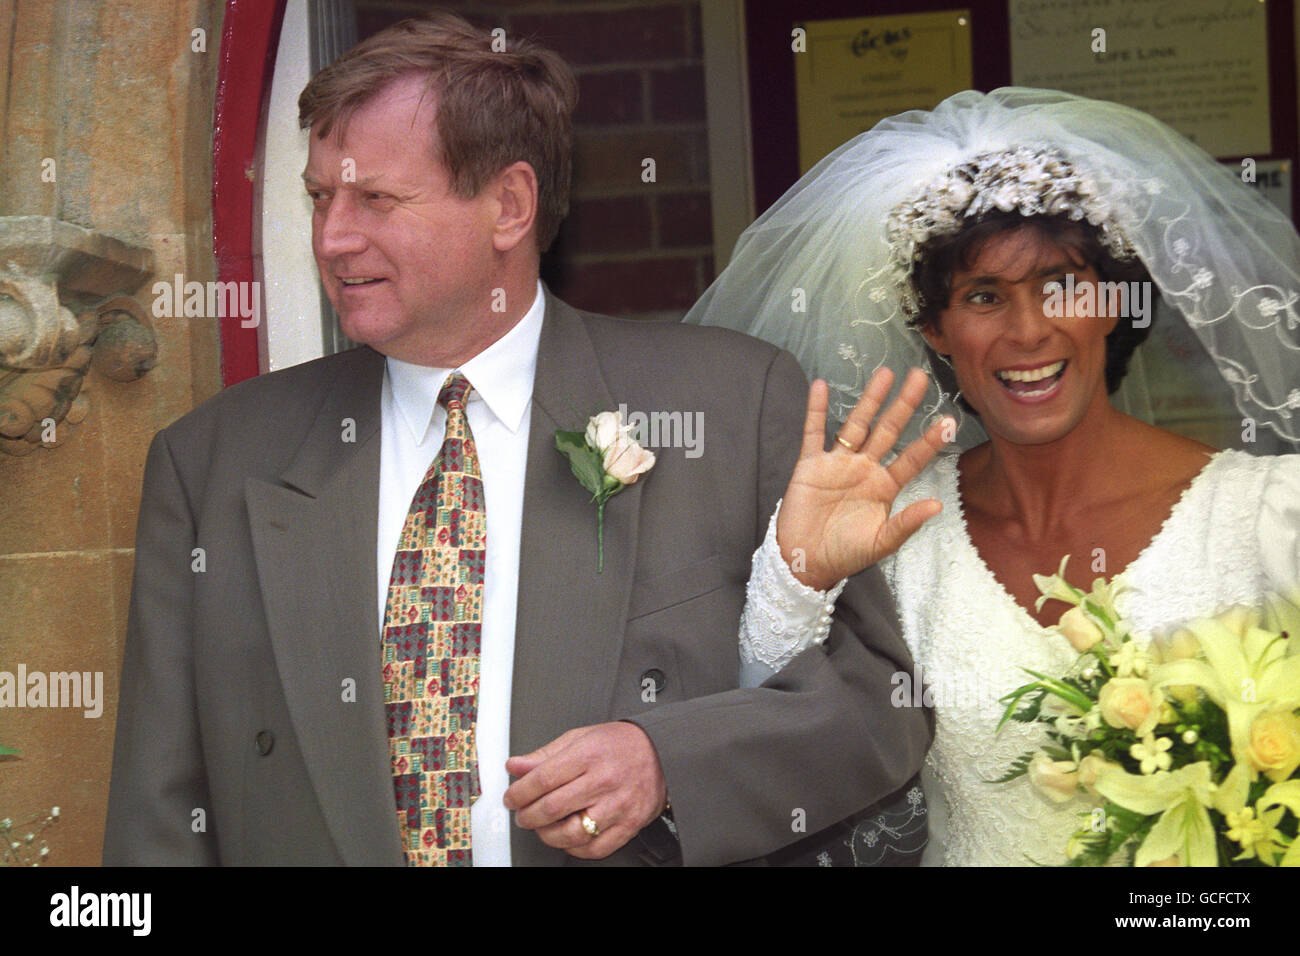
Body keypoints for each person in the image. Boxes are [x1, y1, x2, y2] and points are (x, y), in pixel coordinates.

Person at [102, 11, 936, 866]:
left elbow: (880, 706)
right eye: (320, 197)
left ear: (508, 205)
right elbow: (157, 817)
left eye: (375, 199)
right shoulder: (212, 463)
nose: (332, 237)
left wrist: (669, 763)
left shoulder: (730, 404)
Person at [688, 88, 1300, 865]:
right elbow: (769, 750)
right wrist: (797, 579)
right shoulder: (898, 532)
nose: (1028, 330)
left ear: (1112, 302)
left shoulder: (1271, 516)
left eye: (1060, 286)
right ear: (936, 330)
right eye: (984, 296)